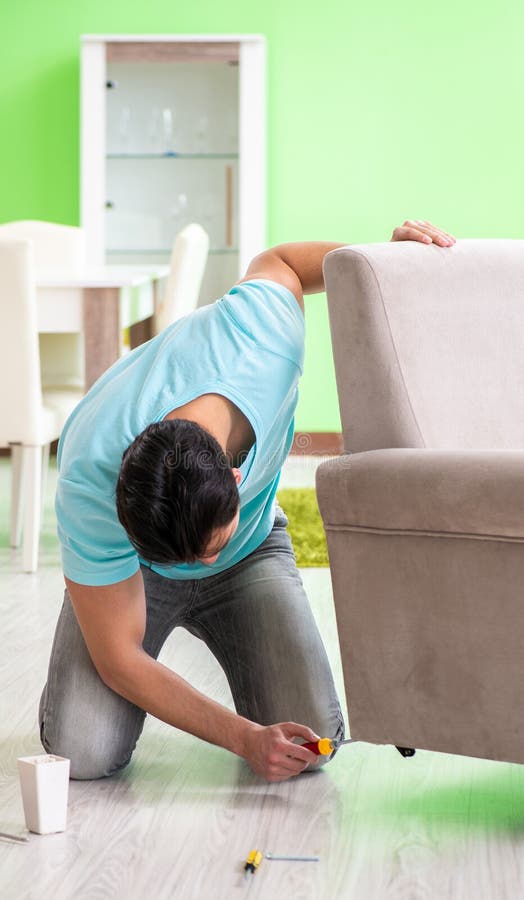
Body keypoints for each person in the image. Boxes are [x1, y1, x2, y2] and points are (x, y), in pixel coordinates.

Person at [39, 220, 456, 783]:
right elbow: (120, 659)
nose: (199, 566)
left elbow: (284, 261)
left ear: (236, 478)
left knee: (313, 742)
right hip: (131, 578)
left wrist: (383, 260)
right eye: (191, 557)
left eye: (209, 547)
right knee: (82, 754)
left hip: (252, 555)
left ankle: (227, 560)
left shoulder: (261, 341)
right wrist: (245, 739)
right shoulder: (90, 471)